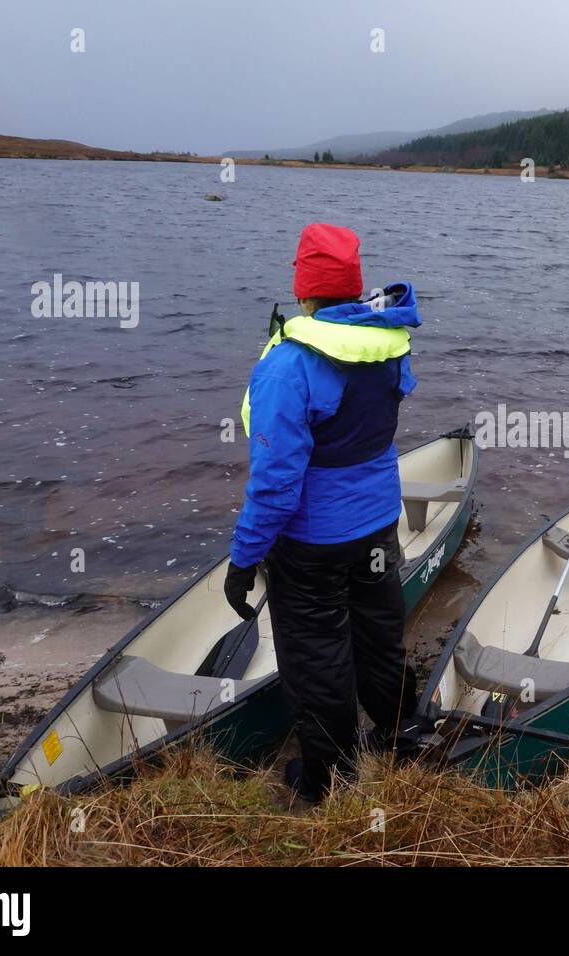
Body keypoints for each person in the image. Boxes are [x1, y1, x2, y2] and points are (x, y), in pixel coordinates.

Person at [224, 223, 421, 802]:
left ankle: (327, 781)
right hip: (379, 527)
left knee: (319, 659)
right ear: (353, 286)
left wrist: (244, 559)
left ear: (304, 289)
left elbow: (277, 484)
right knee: (380, 637)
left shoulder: (289, 365)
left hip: (313, 544)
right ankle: (400, 736)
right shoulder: (388, 346)